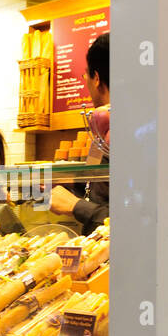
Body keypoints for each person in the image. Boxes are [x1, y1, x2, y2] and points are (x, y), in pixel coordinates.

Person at [49, 32, 109, 233]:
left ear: (97, 78)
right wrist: (65, 183)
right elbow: (92, 185)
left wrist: (76, 207)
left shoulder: (134, 133)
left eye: (86, 76)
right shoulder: (98, 137)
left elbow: (138, 219)